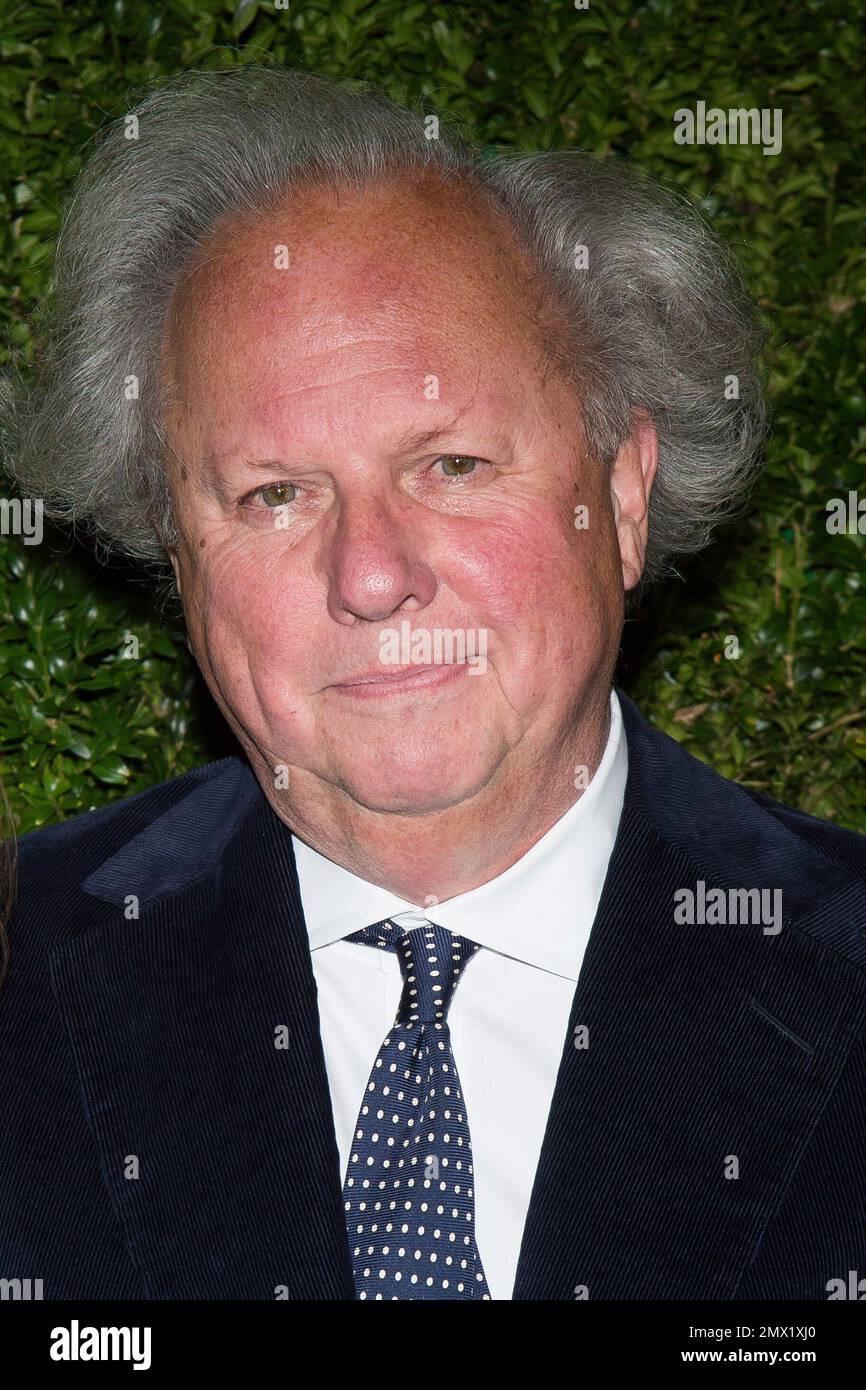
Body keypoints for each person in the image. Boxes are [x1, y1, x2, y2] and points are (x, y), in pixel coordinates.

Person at [1, 65, 864, 1302]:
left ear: (619, 495)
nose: (369, 576)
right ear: (178, 555)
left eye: (452, 464)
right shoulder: (21, 982)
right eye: (274, 493)